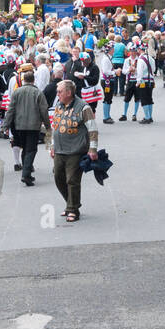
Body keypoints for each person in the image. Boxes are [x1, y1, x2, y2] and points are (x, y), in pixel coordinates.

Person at [48, 80, 98, 223]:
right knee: (58, 178)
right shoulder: (58, 105)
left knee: (72, 180)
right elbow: (54, 126)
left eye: (60, 92)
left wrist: (92, 149)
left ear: (69, 93)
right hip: (59, 150)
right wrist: (51, 146)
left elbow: (93, 129)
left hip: (76, 151)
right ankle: (71, 204)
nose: (57, 94)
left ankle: (73, 209)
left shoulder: (83, 107)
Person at [8, 64, 50, 186]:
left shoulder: (17, 92)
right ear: (33, 80)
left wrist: (6, 125)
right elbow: (44, 110)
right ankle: (26, 174)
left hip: (19, 124)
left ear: (24, 80)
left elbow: (11, 109)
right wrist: (47, 126)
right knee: (31, 149)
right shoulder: (37, 92)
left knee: (25, 147)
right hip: (33, 125)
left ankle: (27, 170)